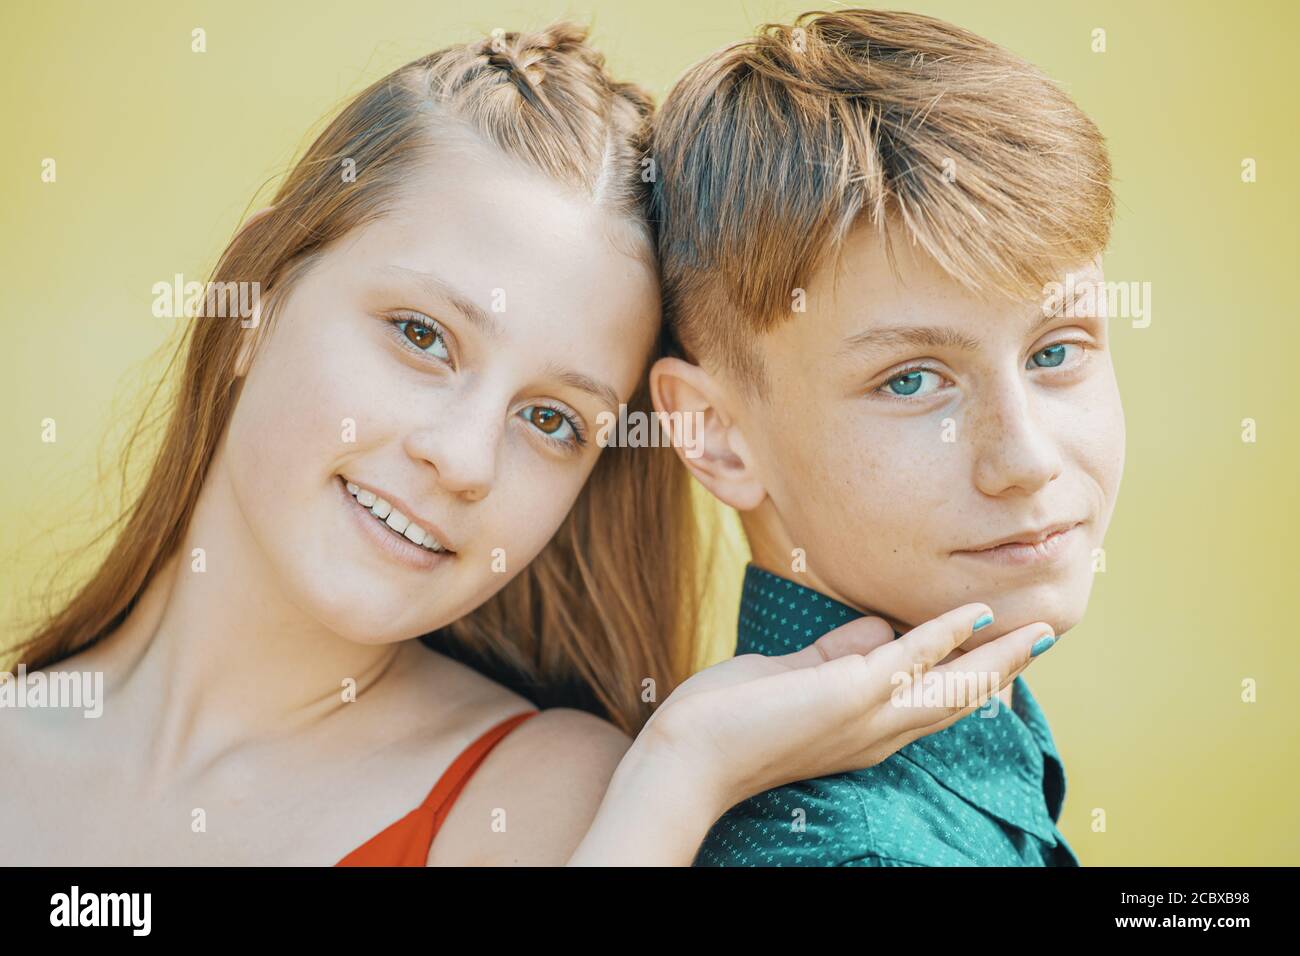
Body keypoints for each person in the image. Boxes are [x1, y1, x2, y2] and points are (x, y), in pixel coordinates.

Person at [1, 22, 1053, 866]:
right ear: (258, 297)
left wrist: (678, 775)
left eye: (553, 419)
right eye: (422, 337)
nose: (461, 458)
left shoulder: (553, 800)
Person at [649, 9, 1124, 865]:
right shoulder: (852, 851)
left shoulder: (970, 742)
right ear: (715, 433)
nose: (1027, 459)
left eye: (1056, 351)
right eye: (910, 380)